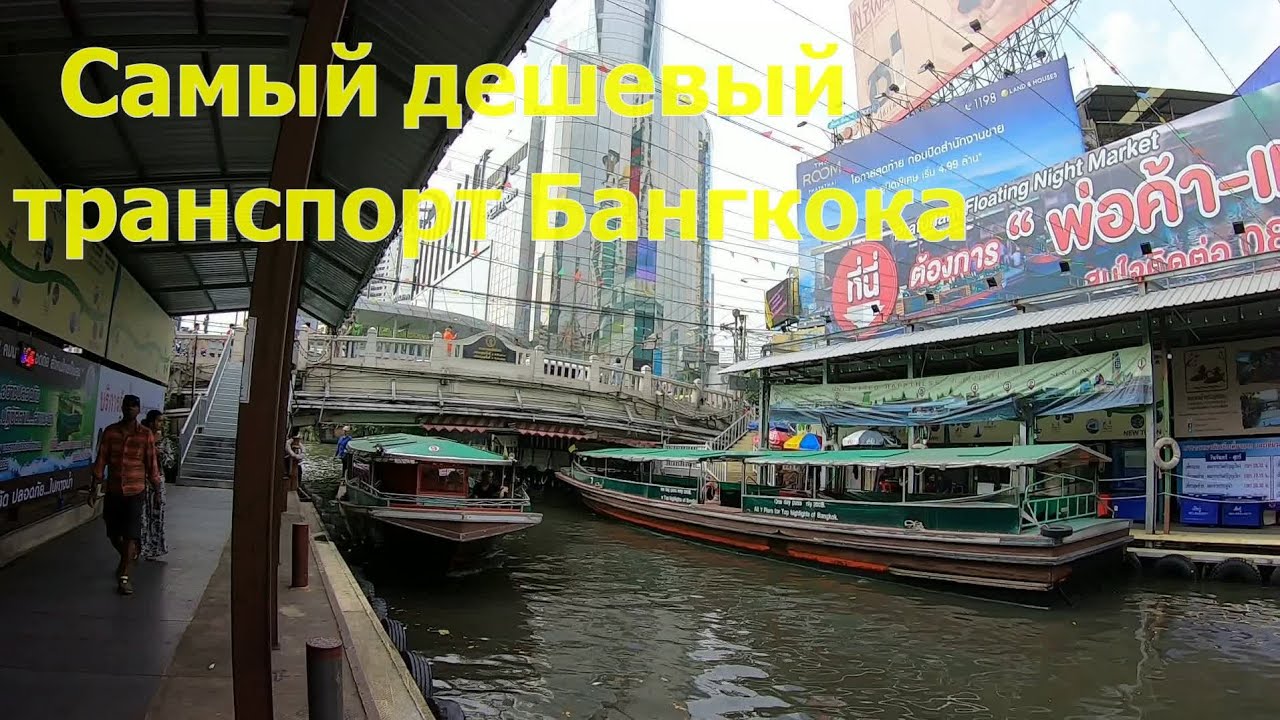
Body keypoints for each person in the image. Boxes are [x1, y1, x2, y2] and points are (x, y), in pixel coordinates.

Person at [94, 395, 161, 595]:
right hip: (114, 490)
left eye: (134, 407)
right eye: (127, 406)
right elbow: (101, 459)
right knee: (113, 533)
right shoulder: (111, 432)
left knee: (131, 533)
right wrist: (93, 487)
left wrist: (157, 490)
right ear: (122, 408)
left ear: (138, 410)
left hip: (136, 491)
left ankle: (124, 576)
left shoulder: (146, 435)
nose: (130, 409)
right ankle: (129, 555)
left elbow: (151, 463)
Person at [140, 410, 172, 561]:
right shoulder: (142, 437)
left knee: (157, 513)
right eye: (159, 421)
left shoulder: (164, 440)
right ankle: (141, 547)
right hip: (142, 480)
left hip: (158, 480)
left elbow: (170, 462)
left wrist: (161, 454)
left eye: (162, 421)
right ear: (151, 422)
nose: (161, 424)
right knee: (142, 514)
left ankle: (155, 548)